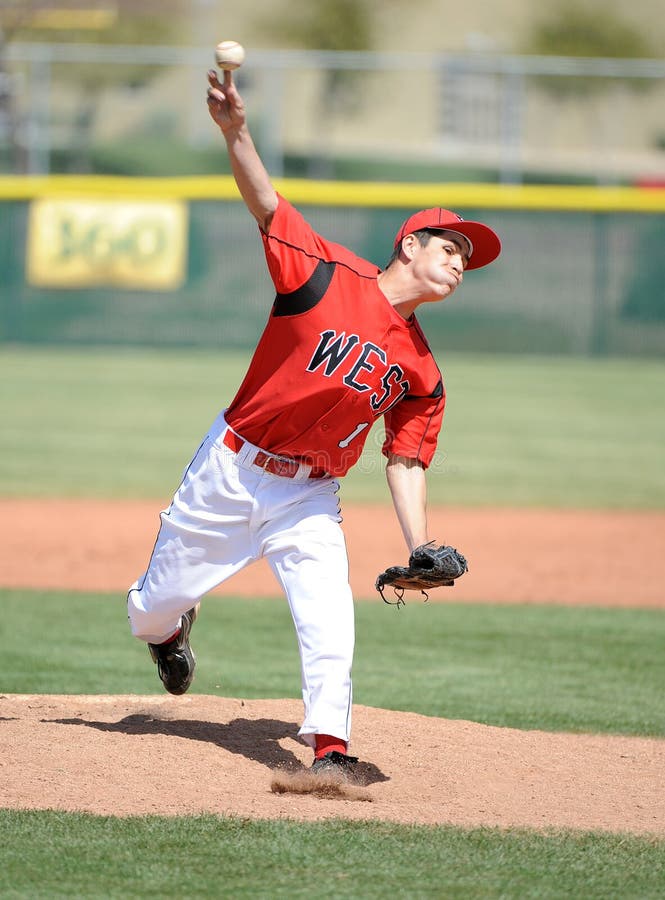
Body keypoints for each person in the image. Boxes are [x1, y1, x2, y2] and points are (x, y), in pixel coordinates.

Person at [127, 67, 501, 778]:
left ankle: (330, 749)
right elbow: (266, 205)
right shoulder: (325, 274)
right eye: (449, 247)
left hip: (308, 495)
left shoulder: (421, 371)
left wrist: (418, 543)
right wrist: (235, 130)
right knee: (152, 608)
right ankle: (168, 630)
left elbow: (405, 459)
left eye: (467, 259)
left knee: (328, 612)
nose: (459, 262)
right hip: (230, 468)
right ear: (409, 246)